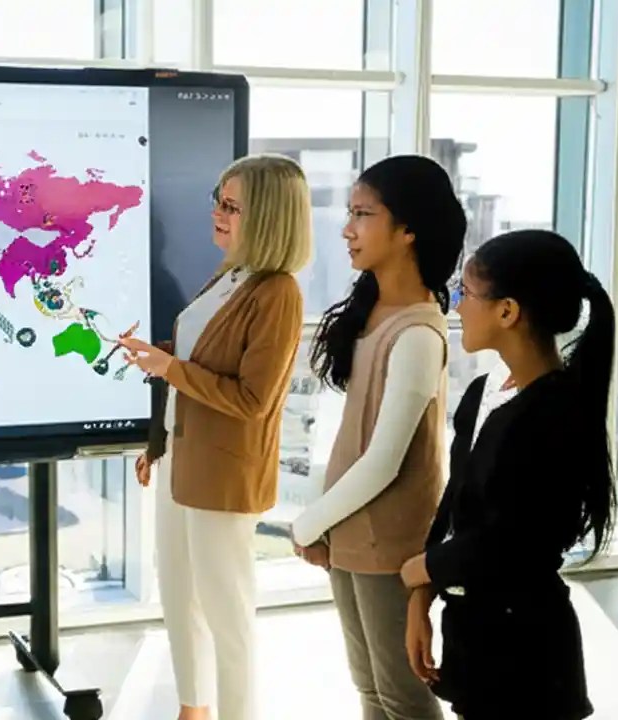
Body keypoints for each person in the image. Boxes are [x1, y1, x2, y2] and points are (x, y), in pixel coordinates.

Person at [121, 154, 312, 720]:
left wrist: (166, 367)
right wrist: (159, 441)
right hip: (183, 461)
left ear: (268, 217)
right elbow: (188, 367)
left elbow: (252, 401)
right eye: (218, 200)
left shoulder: (277, 293)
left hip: (225, 474)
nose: (218, 214)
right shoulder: (230, 275)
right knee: (179, 598)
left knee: (226, 615)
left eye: (232, 206)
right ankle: (193, 709)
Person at [401, 230, 615, 720]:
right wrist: (422, 592)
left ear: (507, 311)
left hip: (527, 656)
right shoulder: (484, 391)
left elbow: (513, 542)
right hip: (474, 638)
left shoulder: (556, 413)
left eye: (466, 294)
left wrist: (423, 568)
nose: (457, 307)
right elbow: (456, 504)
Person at [291, 155, 464, 720]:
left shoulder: (415, 330)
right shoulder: (374, 314)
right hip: (352, 531)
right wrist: (325, 521)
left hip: (389, 540)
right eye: (350, 213)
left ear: (408, 229)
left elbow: (384, 462)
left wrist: (309, 520)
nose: (347, 228)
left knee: (403, 698)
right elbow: (350, 440)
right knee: (371, 690)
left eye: (363, 214)